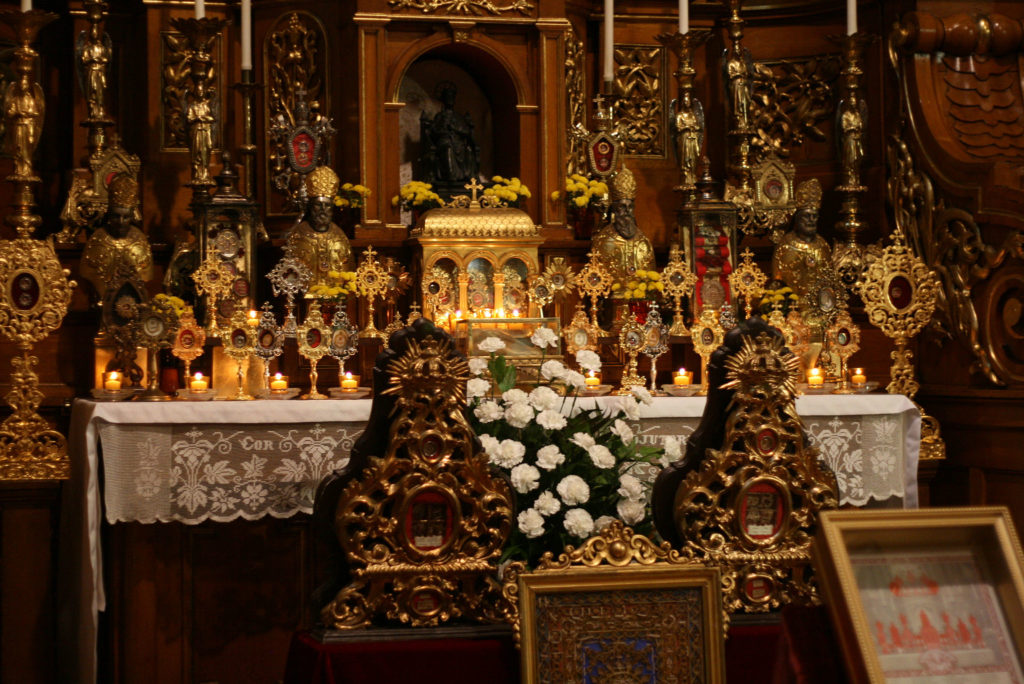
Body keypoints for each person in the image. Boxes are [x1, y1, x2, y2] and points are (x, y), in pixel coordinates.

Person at [80, 174, 154, 299]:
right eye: (116, 216)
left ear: (132, 216)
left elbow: (145, 277)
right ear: (109, 214)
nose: (120, 222)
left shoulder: (140, 239)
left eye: (126, 217)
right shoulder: (98, 238)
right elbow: (89, 274)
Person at [287, 166, 355, 292]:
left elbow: (349, 274)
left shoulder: (340, 236)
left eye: (327, 205)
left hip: (336, 299)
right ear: (310, 207)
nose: (323, 210)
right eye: (318, 205)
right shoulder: (298, 235)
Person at [592, 165, 655, 296]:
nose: (626, 212)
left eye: (630, 207)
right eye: (622, 207)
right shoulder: (603, 241)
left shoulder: (643, 241)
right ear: (614, 209)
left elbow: (650, 280)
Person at [419, 82, 479, 186]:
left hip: (459, 143)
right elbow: (433, 132)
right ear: (443, 99)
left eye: (452, 97)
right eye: (447, 97)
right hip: (444, 142)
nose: (450, 100)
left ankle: (466, 178)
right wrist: (444, 131)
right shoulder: (439, 116)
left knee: (468, 150)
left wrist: (454, 128)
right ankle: (450, 178)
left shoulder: (459, 116)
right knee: (447, 147)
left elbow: (466, 131)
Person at [3, 53, 45, 180]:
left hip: (28, 126)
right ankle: (18, 169)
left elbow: (36, 113)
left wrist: (24, 113)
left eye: (25, 85)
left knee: (27, 149)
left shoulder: (30, 100)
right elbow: (9, 112)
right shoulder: (15, 99)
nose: (23, 86)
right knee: (18, 149)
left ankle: (26, 169)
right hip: (18, 126)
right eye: (21, 85)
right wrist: (17, 113)